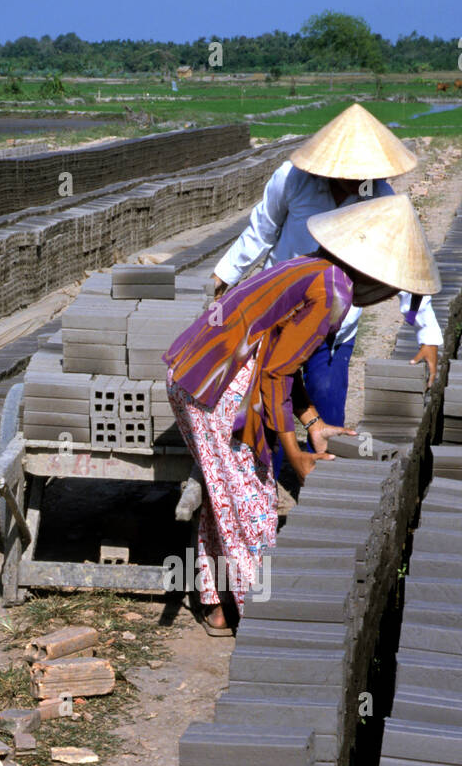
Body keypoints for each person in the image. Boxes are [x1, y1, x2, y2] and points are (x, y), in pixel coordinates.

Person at [164, 194, 440, 635]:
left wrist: (313, 423)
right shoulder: (334, 290)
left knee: (224, 492)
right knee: (253, 500)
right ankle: (263, 618)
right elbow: (276, 371)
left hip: (195, 375)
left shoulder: (310, 266)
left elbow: (279, 359)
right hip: (216, 385)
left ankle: (219, 606)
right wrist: (295, 455)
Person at [209, 103, 442, 475]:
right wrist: (226, 274)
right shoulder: (292, 179)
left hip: (335, 327)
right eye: (348, 173)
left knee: (327, 413)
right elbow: (262, 230)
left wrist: (426, 333)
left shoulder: (382, 200)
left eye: (365, 173)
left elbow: (404, 271)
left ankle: (319, 486)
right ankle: (270, 479)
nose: (356, 181)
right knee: (271, 404)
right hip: (280, 318)